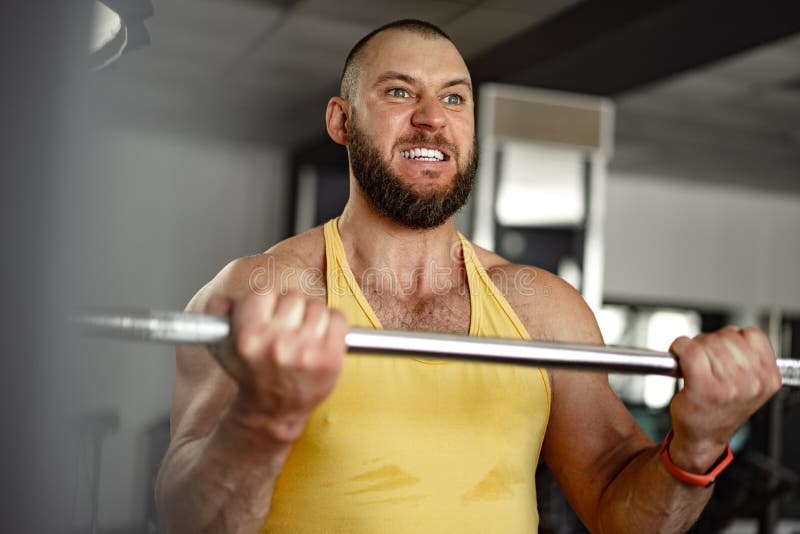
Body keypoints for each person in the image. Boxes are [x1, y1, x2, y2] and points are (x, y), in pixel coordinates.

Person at [155, 19, 782, 533]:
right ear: (341, 121)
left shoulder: (542, 311)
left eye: (454, 97)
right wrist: (263, 420)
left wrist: (696, 447)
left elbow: (626, 519)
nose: (432, 117)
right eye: (400, 92)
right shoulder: (261, 293)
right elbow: (189, 522)